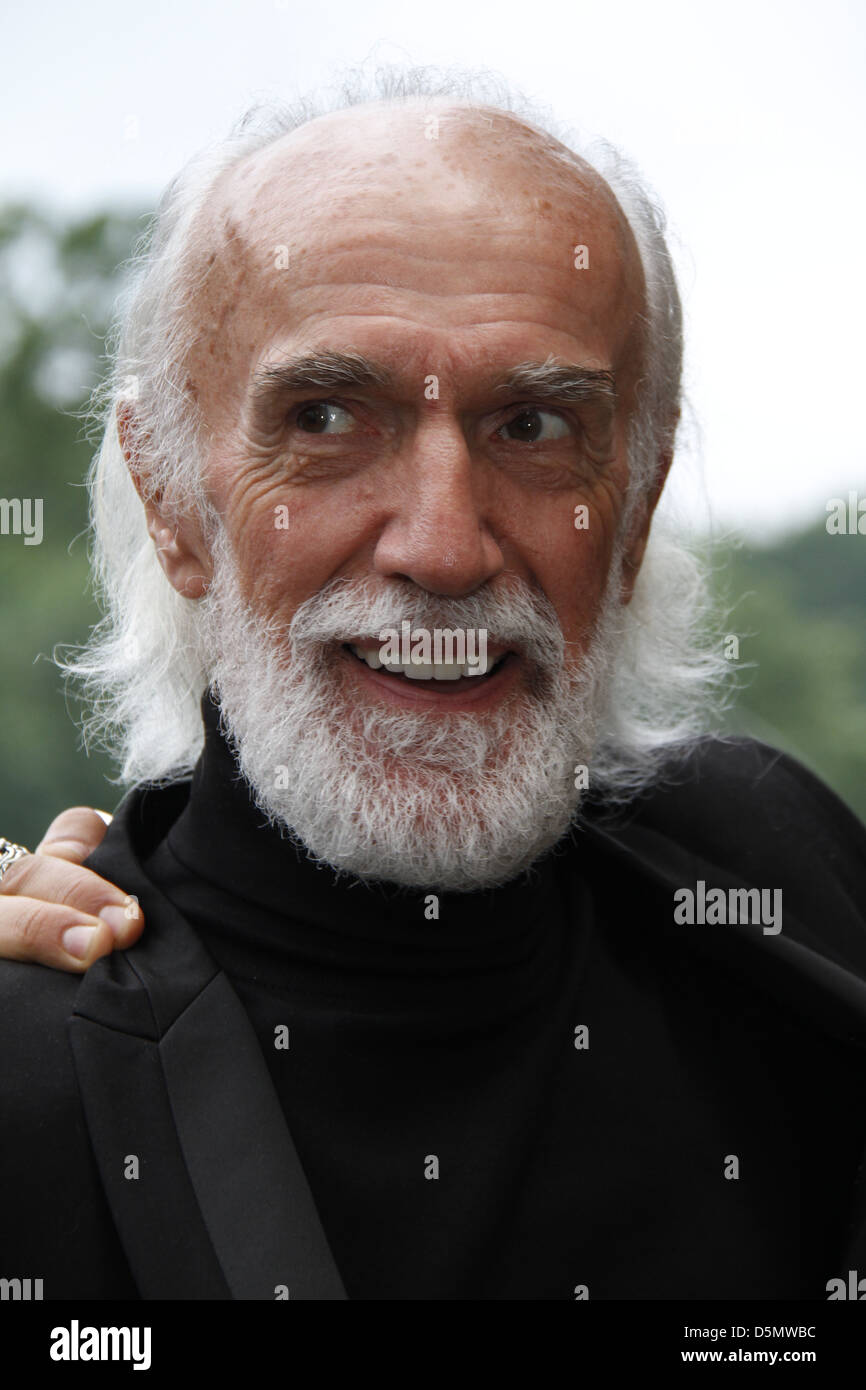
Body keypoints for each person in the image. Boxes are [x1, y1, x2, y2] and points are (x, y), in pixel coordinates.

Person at [1, 67, 865, 1302]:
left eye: (532, 425)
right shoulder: (34, 1083)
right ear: (169, 497)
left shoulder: (777, 872)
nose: (444, 546)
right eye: (323, 416)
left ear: (633, 508)